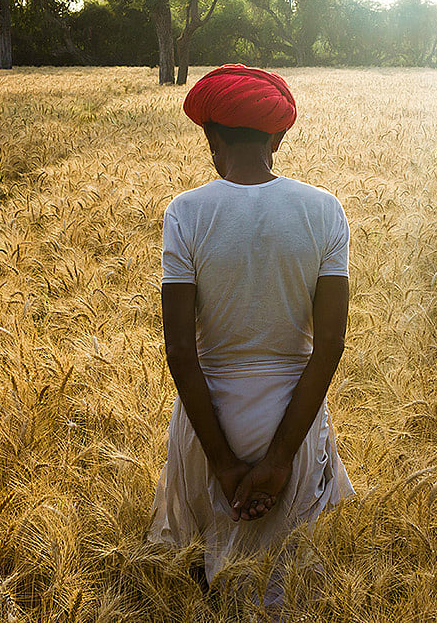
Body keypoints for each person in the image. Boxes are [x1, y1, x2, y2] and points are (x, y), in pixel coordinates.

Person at [147, 64, 354, 602]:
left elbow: (179, 348)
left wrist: (222, 462)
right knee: (286, 590)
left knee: (209, 587)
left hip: (209, 417)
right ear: (278, 137)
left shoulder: (185, 213)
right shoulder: (324, 210)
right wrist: (282, 456)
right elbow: (329, 343)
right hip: (294, 414)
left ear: (212, 138)